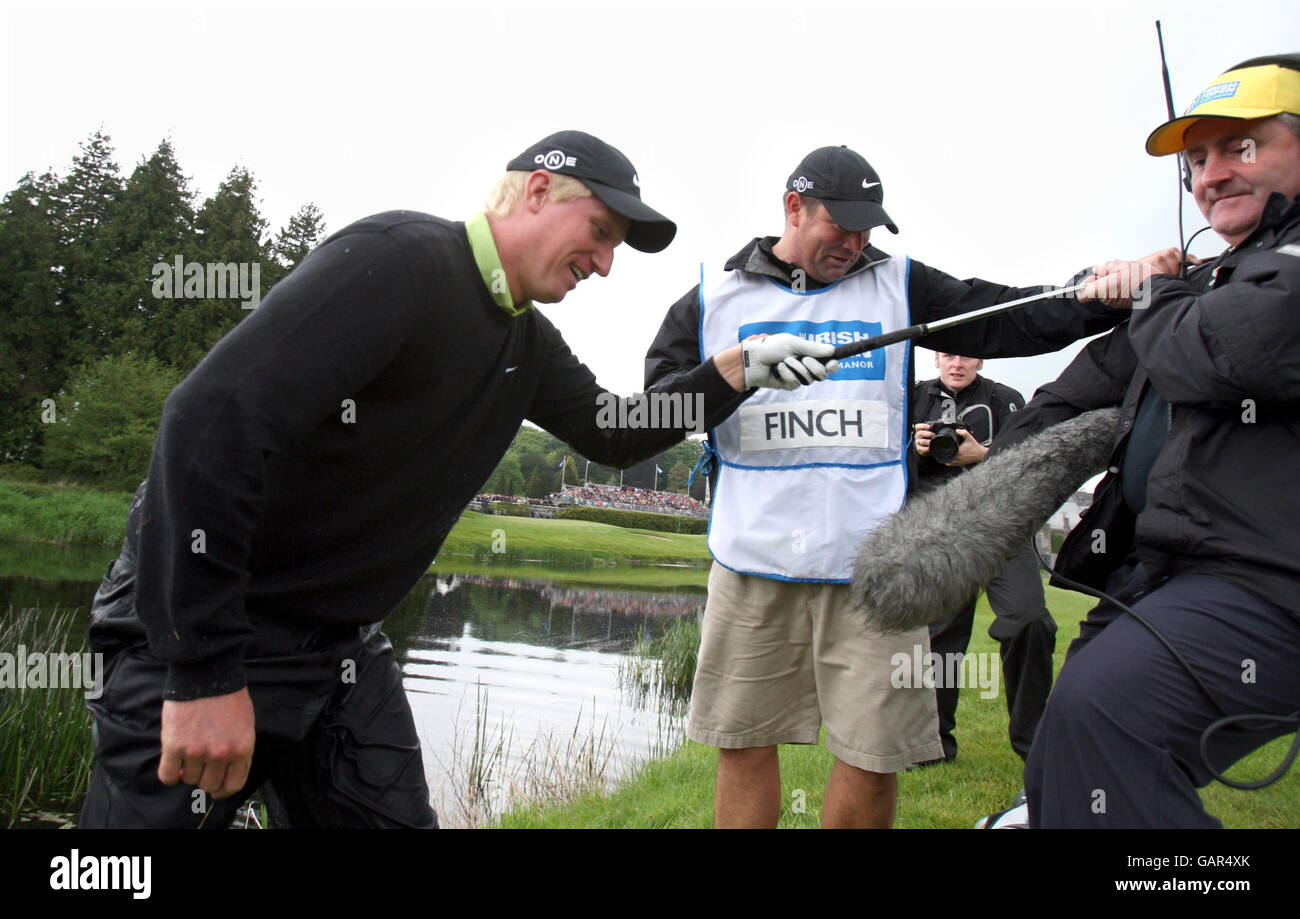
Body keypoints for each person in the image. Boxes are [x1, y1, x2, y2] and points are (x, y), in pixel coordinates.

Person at [78, 130, 837, 828]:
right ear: (537, 191)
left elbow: (614, 428)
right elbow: (208, 423)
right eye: (601, 232)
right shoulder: (399, 260)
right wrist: (202, 667)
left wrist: (734, 370)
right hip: (203, 635)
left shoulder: (525, 342)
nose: (605, 264)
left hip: (339, 658)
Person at [644, 144, 1126, 828]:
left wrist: (1096, 295)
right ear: (793, 207)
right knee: (744, 745)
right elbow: (656, 415)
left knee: (874, 755)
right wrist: (739, 369)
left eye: (868, 228)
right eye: (840, 225)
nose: (855, 242)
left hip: (875, 572)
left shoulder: (899, 282)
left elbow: (1005, 315)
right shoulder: (711, 300)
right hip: (752, 562)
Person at [1001, 54, 1300, 828]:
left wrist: (1155, 289)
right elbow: (1083, 387)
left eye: (1241, 147)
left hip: (1267, 584)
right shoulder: (1217, 280)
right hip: (1173, 571)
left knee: (1103, 720)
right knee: (1065, 744)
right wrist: (988, 484)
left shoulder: (1260, 279)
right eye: (1197, 160)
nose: (1209, 176)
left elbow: (1218, 356)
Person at [912, 353, 1056, 765]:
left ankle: (1034, 742)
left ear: (979, 359)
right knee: (939, 637)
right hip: (940, 528)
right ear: (938, 357)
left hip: (1001, 526)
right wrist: (915, 448)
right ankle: (934, 744)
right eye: (949, 355)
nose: (957, 363)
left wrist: (982, 455)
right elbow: (884, 467)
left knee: (1028, 621)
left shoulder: (1006, 399)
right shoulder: (914, 398)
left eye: (966, 356)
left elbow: (1034, 462)